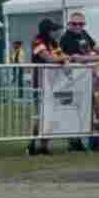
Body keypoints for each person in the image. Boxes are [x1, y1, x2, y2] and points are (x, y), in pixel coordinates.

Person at [58, 11, 99, 151]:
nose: (78, 26)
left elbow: (98, 48)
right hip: (71, 81)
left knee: (92, 111)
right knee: (74, 112)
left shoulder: (84, 34)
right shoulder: (66, 38)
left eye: (81, 24)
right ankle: (75, 143)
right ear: (69, 24)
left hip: (87, 80)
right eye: (75, 24)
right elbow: (77, 58)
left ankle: (94, 142)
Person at [27, 18, 67, 155]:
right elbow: (50, 59)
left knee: (51, 115)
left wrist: (63, 59)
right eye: (53, 30)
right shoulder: (37, 41)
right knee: (41, 115)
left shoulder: (54, 43)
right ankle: (32, 144)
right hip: (40, 83)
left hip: (53, 83)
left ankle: (44, 146)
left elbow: (62, 56)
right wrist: (62, 59)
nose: (56, 33)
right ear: (47, 31)